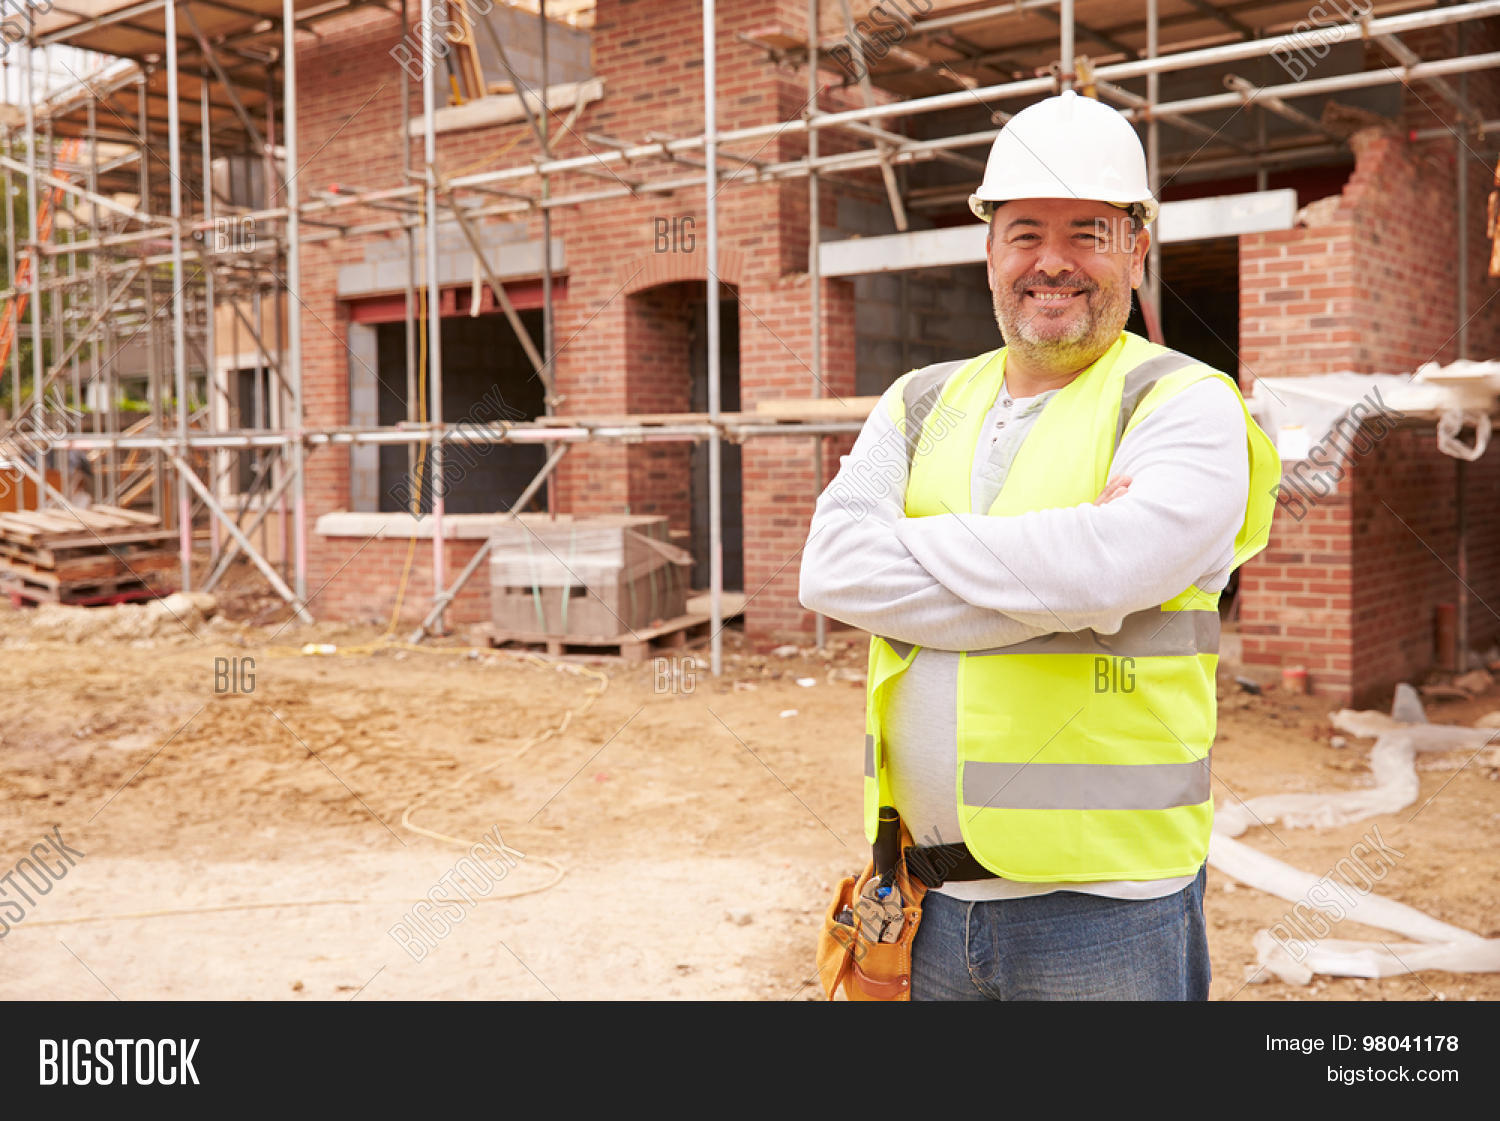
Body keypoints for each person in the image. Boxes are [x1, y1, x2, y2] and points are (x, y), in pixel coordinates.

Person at [799, 90, 1281, 1001]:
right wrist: (1067, 584)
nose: (1050, 262)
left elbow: (1110, 568)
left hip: (1107, 914)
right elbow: (832, 567)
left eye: (1087, 232)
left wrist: (912, 549)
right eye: (1024, 232)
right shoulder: (918, 399)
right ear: (988, 249)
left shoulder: (1184, 402)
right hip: (923, 900)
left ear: (1136, 248)